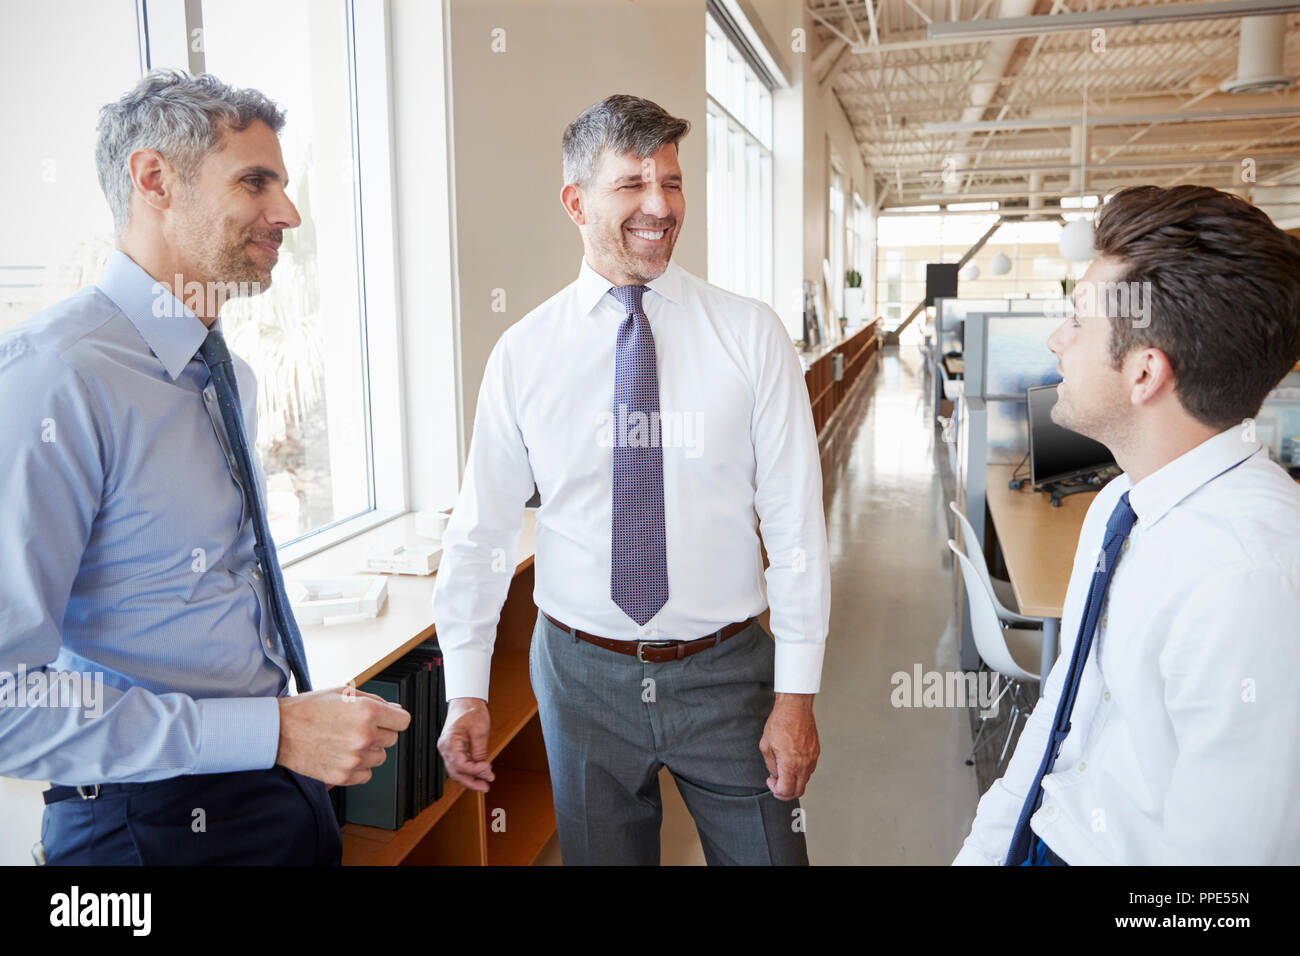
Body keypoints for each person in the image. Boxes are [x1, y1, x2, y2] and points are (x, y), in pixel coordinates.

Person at [0, 68, 409, 866]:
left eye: (284, 185)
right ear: (154, 179)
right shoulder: (55, 381)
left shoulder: (225, 377)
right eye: (256, 182)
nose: (287, 213)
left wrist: (280, 733)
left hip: (273, 789)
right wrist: (272, 731)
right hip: (147, 827)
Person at [433, 94, 830, 865]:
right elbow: (480, 532)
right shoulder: (524, 354)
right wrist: (467, 687)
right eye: (633, 185)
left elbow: (795, 527)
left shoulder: (750, 335)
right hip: (580, 680)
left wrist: (797, 693)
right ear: (575, 202)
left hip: (728, 672)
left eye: (672, 183)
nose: (660, 206)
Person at [954, 184, 1300, 865]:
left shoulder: (1251, 582)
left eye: (1077, 321)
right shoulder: (1122, 505)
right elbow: (1061, 716)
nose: (1056, 340)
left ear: (1145, 371)